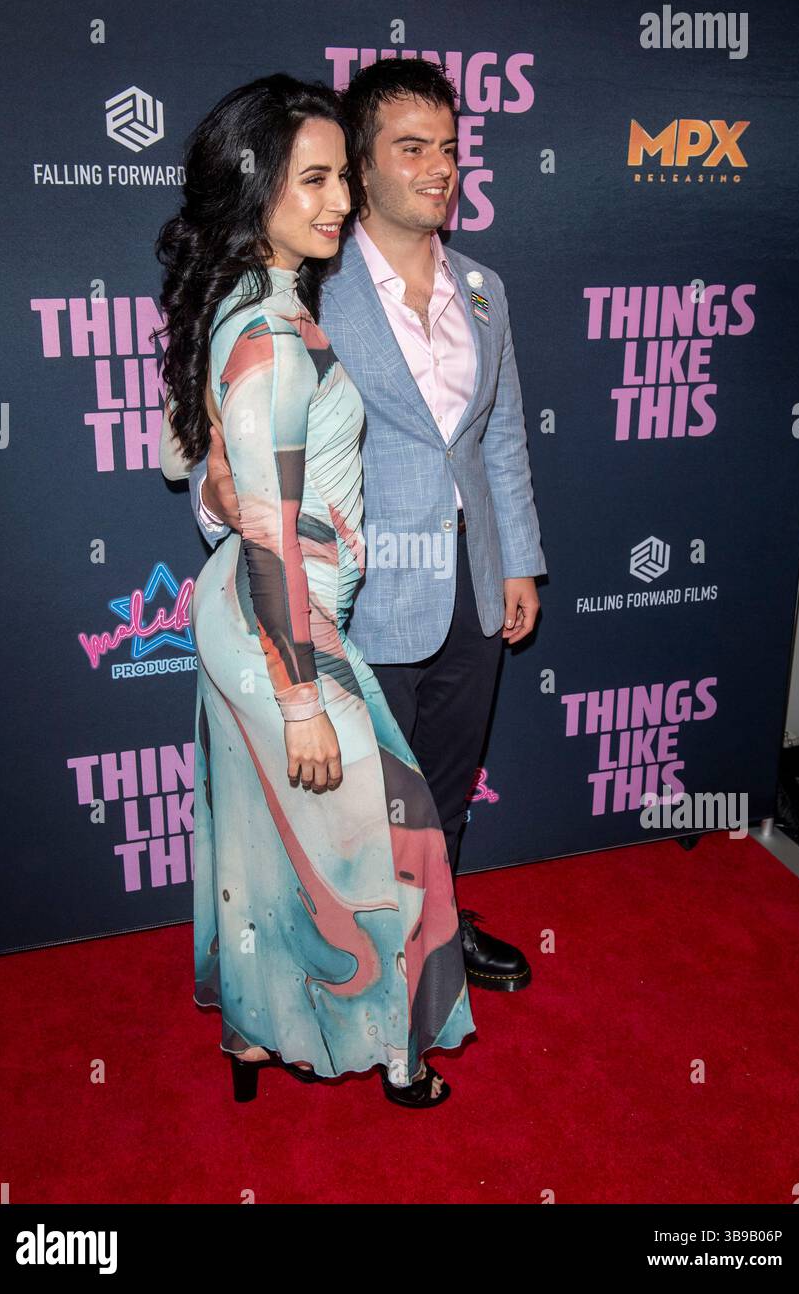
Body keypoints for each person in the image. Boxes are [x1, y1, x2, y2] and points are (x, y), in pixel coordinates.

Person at [189, 59, 546, 992]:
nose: (441, 169)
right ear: (362, 162)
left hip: (470, 580)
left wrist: (518, 562)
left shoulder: (484, 289)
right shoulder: (310, 281)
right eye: (412, 149)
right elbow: (224, 434)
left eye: (452, 150)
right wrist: (222, 501)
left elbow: (499, 435)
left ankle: (439, 935)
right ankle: (365, 970)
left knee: (449, 786)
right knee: (359, 808)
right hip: (355, 590)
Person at [156, 73, 475, 1109]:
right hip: (277, 626)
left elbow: (209, 467)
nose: (339, 199)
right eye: (316, 178)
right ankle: (395, 1051)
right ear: (255, 187)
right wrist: (301, 695)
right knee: (387, 842)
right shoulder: (269, 334)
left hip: (267, 615)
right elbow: (267, 537)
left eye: (343, 175)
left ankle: (252, 1039)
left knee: (263, 836)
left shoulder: (265, 300)